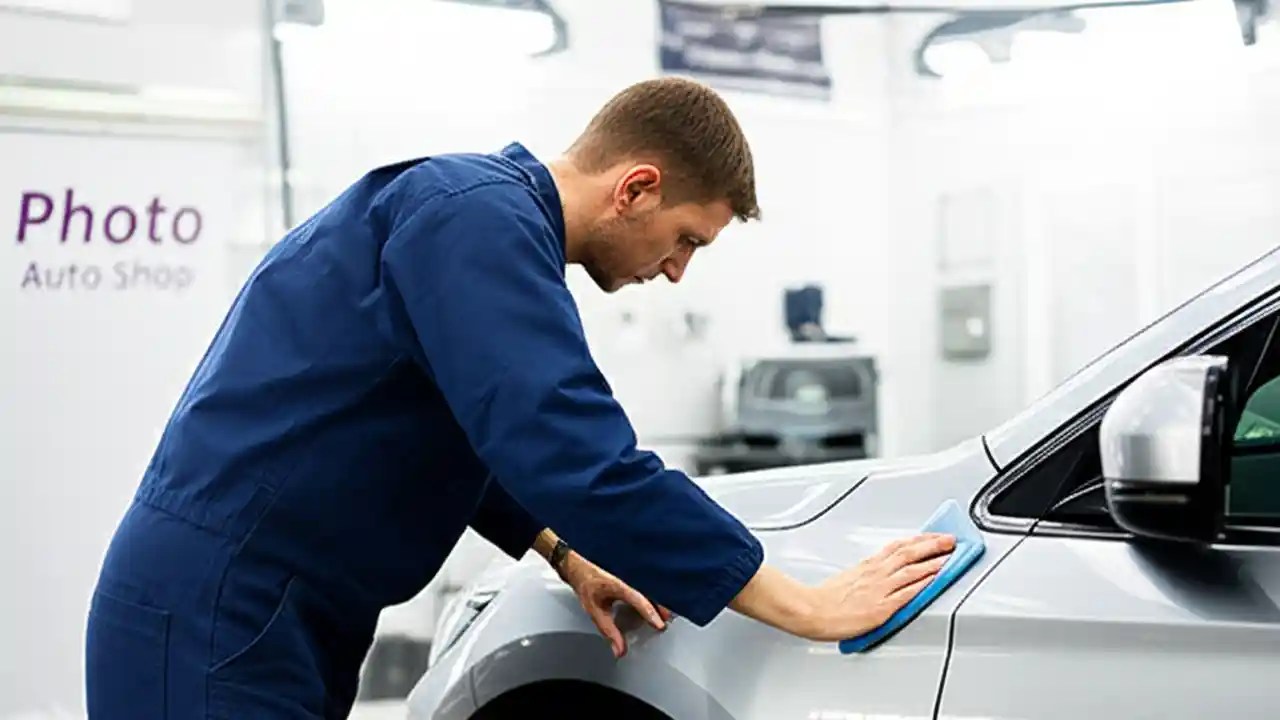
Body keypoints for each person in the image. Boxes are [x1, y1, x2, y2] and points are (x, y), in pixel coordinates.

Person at [84, 76, 954, 719]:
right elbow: (572, 451)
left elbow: (471, 432)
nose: (679, 269)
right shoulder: (475, 221)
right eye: (686, 238)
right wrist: (801, 603)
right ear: (636, 187)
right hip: (219, 608)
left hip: (273, 610)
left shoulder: (482, 221)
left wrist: (564, 554)